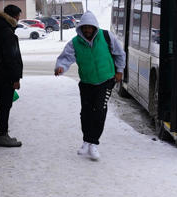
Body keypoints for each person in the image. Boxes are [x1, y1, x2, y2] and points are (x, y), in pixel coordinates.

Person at [54, 11, 126, 161]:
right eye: (84, 28)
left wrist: (119, 71)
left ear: (95, 27)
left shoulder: (106, 37)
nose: (87, 30)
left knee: (99, 110)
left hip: (106, 81)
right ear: (80, 28)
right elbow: (66, 57)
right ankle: (86, 140)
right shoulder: (75, 42)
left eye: (90, 28)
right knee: (85, 112)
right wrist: (60, 67)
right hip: (86, 82)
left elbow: (120, 54)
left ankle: (93, 143)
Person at [0, 5, 24, 147]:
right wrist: (15, 79)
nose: (19, 19)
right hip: (6, 76)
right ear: (12, 16)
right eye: (18, 16)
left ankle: (2, 134)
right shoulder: (7, 33)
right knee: (5, 105)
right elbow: (12, 58)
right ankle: (2, 135)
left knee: (3, 104)